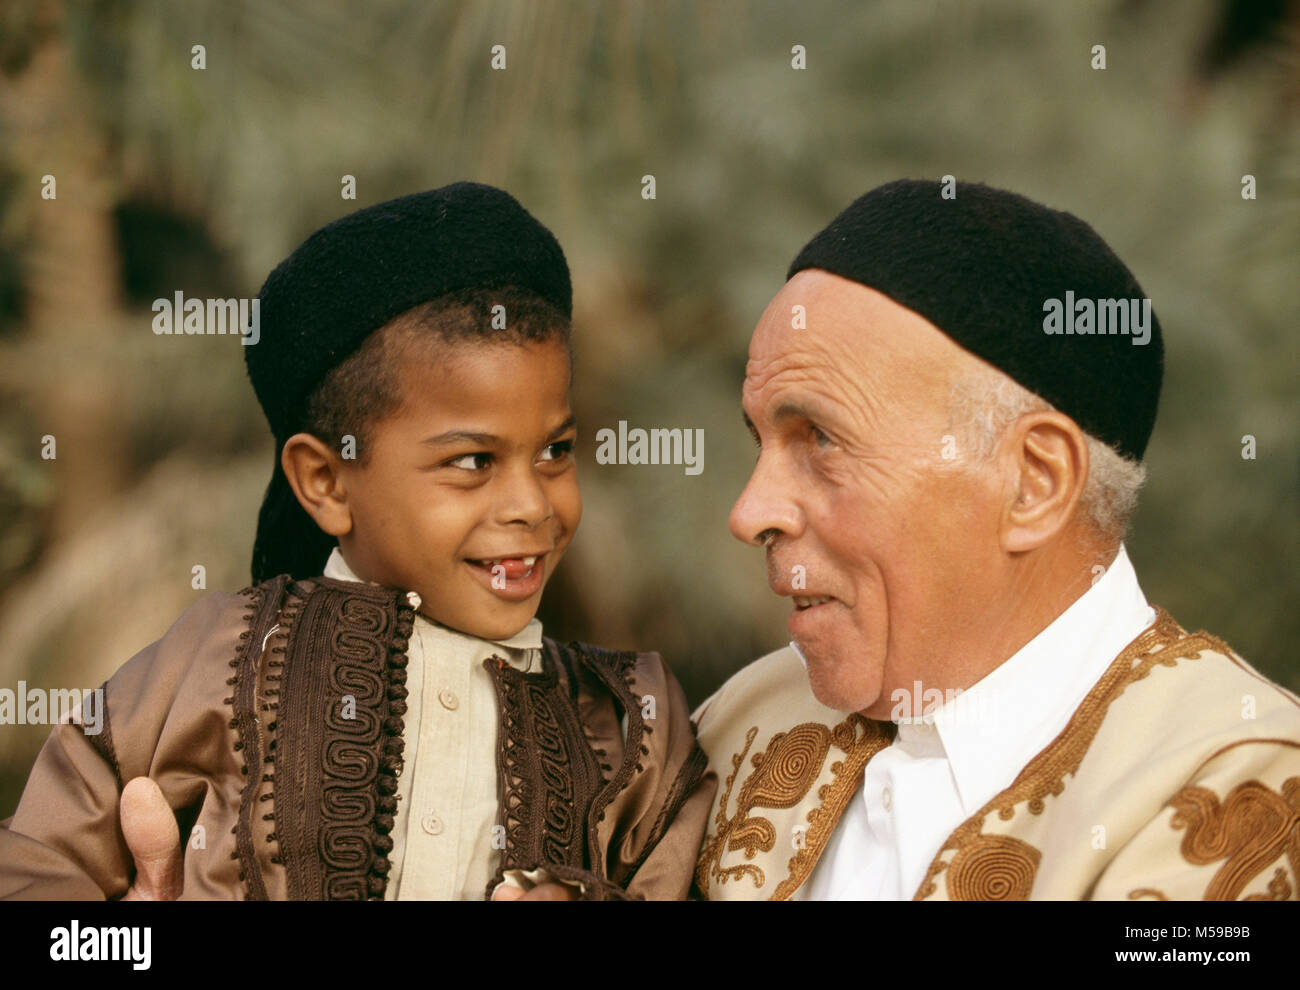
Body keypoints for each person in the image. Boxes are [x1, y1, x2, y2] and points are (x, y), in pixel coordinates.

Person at [0, 182, 713, 901]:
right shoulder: (220, 657)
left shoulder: (633, 721)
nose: (533, 504)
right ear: (326, 482)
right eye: (473, 462)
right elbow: (35, 864)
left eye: (555, 451)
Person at [693, 179, 1300, 901]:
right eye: (760, 440)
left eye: (821, 438)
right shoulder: (743, 720)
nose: (750, 511)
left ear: (1033, 483)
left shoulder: (1244, 784)